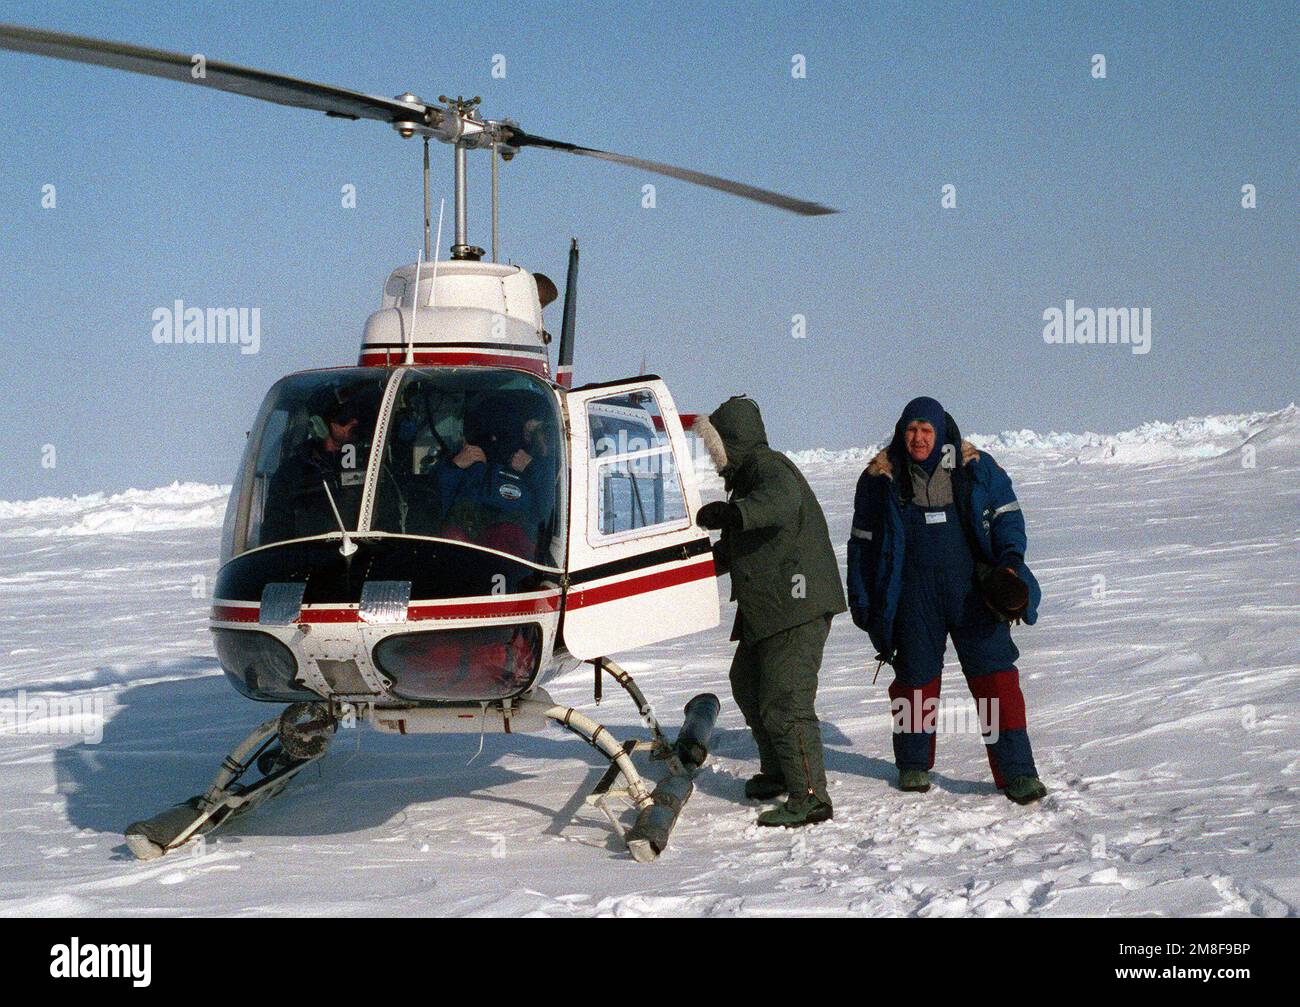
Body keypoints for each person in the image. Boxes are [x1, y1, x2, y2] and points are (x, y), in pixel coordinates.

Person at [846, 396, 1048, 804]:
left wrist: (1009, 564)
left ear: (939, 433)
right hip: (912, 596)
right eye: (910, 430)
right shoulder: (879, 477)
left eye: (926, 431)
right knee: (914, 682)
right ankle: (913, 765)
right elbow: (862, 545)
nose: (918, 439)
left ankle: (1017, 772)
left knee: (995, 679)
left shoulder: (976, 468)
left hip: (971, 592)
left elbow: (1008, 516)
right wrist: (864, 599)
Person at [694, 396, 847, 827]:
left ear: (733, 441)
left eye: (715, 445)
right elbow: (737, 544)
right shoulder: (747, 480)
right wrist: (690, 564)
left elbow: (779, 504)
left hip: (795, 607)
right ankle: (779, 770)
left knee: (785, 702)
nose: (712, 455)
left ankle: (811, 795)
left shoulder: (770, 469)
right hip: (769, 609)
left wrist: (732, 513)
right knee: (746, 683)